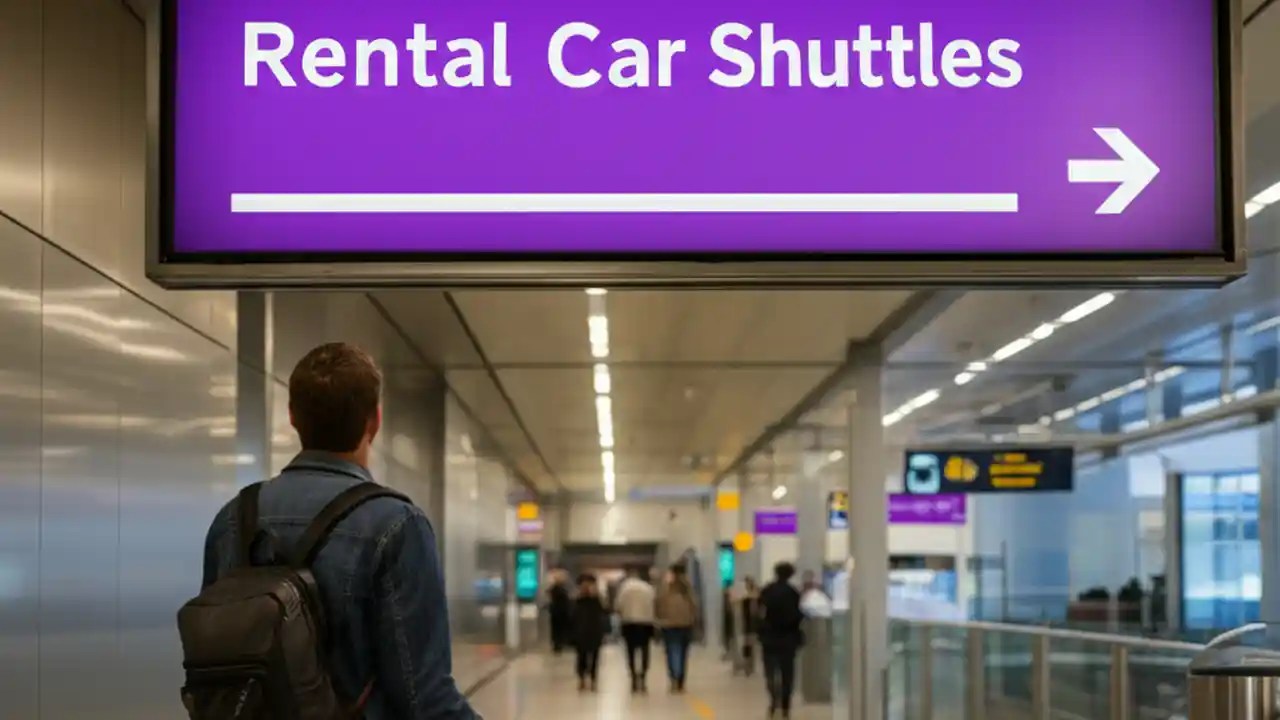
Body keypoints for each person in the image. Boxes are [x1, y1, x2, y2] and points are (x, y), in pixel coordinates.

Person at [201, 343, 479, 720]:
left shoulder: (232, 519)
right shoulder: (396, 525)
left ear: (293, 418)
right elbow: (425, 697)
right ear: (374, 422)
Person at [758, 562, 805, 719]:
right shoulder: (793, 593)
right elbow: (798, 616)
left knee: (770, 671)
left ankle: (773, 699)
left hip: (769, 638)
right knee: (787, 673)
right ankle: (786, 705)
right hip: (788, 639)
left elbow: (759, 613)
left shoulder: (767, 591)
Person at [655, 563, 698, 693]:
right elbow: (695, 606)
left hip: (669, 624)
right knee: (683, 654)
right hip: (686, 624)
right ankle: (680, 681)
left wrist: (660, 617)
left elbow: (659, 604)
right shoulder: (688, 588)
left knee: (672, 652)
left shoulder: (666, 588)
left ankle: (674, 678)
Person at [615, 565, 657, 693]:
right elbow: (654, 604)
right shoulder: (648, 588)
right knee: (645, 650)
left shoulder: (624, 588)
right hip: (646, 622)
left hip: (629, 622)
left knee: (630, 651)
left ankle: (633, 676)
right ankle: (643, 677)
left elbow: (618, 606)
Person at [572, 573, 608, 692]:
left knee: (594, 657)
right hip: (580, 632)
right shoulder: (577, 600)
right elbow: (571, 616)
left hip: (594, 632)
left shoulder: (597, 600)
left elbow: (605, 613)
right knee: (581, 657)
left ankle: (593, 679)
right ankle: (582, 678)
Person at [548, 571, 573, 655]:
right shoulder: (559, 590)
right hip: (559, 612)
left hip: (557, 612)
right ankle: (558, 645)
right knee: (559, 630)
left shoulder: (555, 589)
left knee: (558, 630)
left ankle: (558, 645)